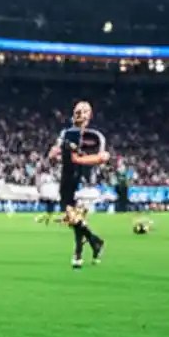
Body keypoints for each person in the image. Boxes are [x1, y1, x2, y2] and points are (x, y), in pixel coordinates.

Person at [48, 101, 109, 269]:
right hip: (67, 178)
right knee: (74, 219)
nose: (80, 113)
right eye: (77, 110)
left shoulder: (94, 136)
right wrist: (54, 153)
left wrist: (96, 159)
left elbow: (101, 158)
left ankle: (80, 253)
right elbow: (56, 151)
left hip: (84, 181)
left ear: (90, 115)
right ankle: (94, 243)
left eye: (84, 111)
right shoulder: (67, 133)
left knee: (75, 216)